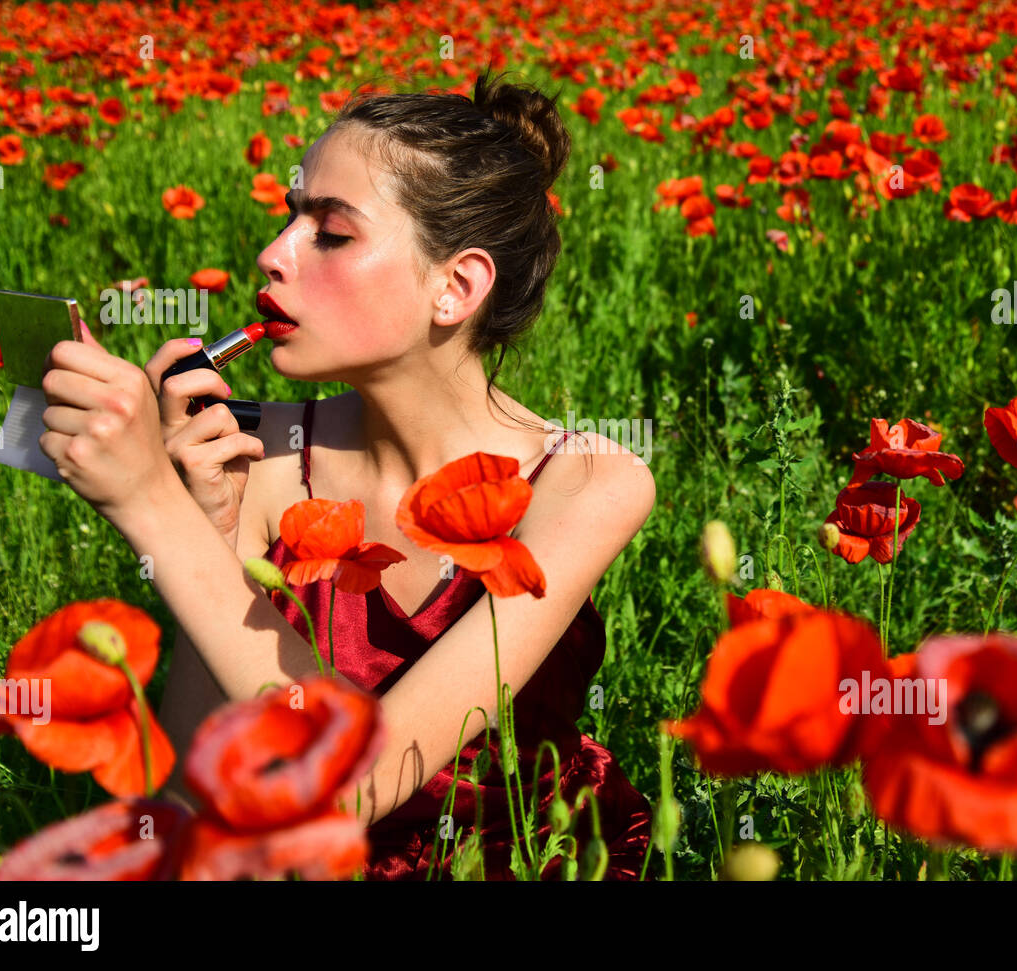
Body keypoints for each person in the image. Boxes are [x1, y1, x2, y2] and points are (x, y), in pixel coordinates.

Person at [35, 68, 657, 879]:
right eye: (290, 217)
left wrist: (151, 504)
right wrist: (206, 525)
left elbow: (354, 786)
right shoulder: (259, 455)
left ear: (455, 286)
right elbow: (196, 792)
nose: (272, 255)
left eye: (330, 233)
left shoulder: (586, 482)